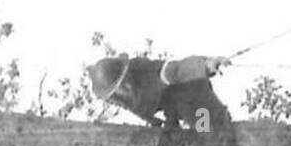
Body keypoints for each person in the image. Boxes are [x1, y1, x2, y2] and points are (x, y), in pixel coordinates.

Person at [88, 53, 233, 128]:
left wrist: (208, 65)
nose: (123, 92)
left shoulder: (153, 75)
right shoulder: (127, 100)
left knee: (209, 133)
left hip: (197, 101)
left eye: (122, 86)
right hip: (175, 113)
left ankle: (216, 129)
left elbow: (178, 70)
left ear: (127, 79)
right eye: (115, 93)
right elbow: (147, 115)